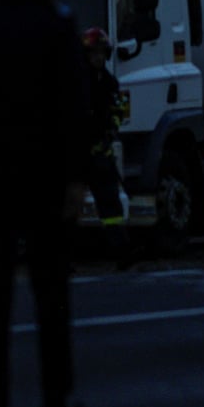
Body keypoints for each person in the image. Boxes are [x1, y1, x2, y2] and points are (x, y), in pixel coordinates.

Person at [0, 0, 90, 407]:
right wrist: (75, 180)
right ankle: (56, 396)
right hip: (44, 183)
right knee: (51, 298)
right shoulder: (57, 26)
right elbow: (75, 109)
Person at [81, 26, 137, 270]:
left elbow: (119, 113)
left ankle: (121, 252)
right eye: (94, 53)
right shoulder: (75, 82)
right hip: (77, 154)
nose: (98, 58)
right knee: (68, 204)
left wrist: (108, 135)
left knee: (111, 206)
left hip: (101, 154)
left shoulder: (112, 83)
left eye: (102, 53)